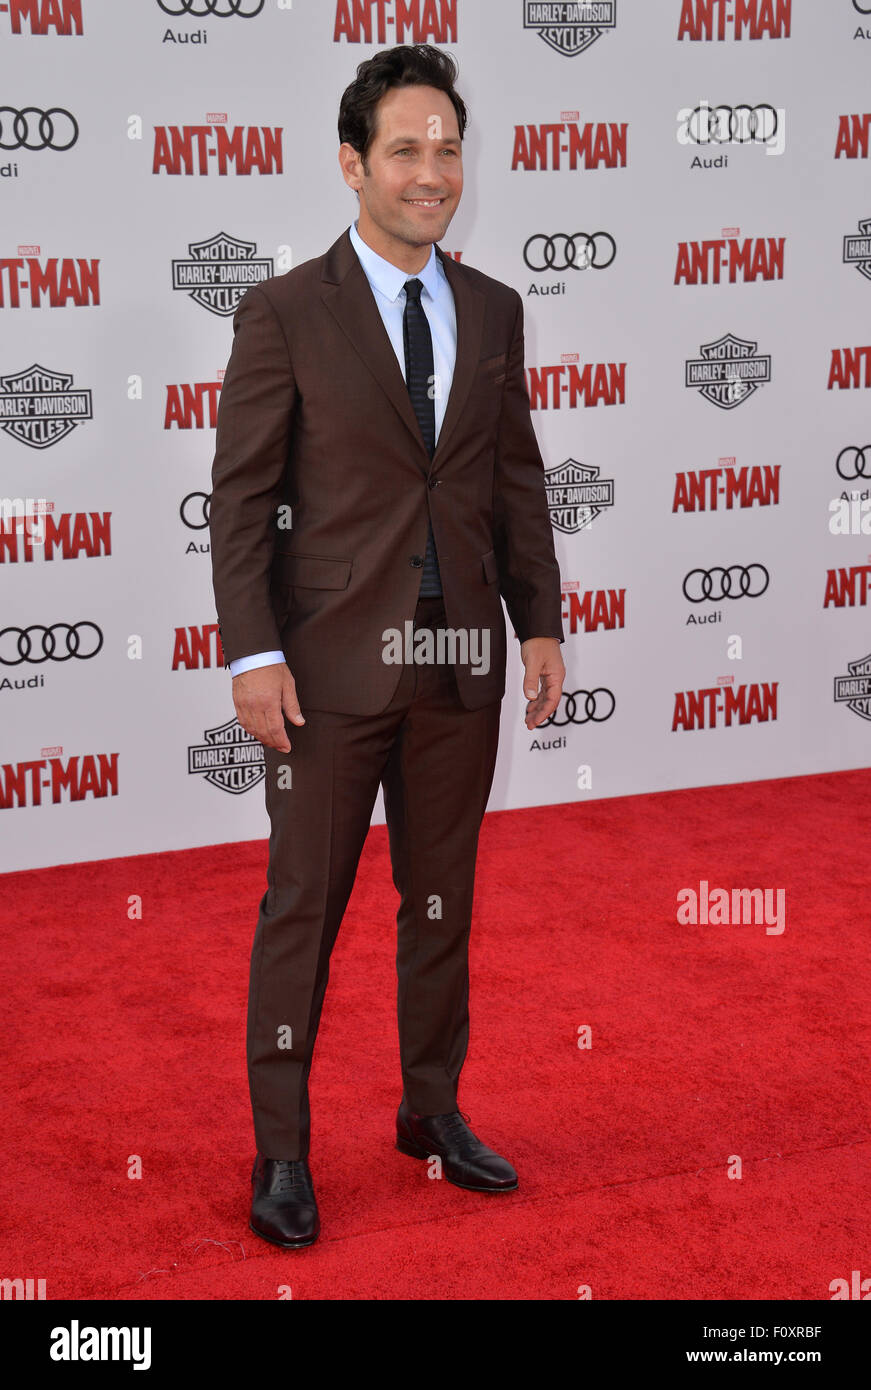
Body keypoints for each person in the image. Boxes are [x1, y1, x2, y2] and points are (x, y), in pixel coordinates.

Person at [209, 43, 565, 1250]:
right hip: (321, 673)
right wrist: (252, 655)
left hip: (462, 660)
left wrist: (541, 620)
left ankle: (429, 1109)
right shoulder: (283, 312)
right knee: (302, 907)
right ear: (352, 164)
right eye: (405, 149)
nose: (432, 172)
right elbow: (242, 500)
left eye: (448, 147)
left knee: (438, 902)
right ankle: (282, 1151)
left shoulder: (494, 308)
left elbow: (513, 481)